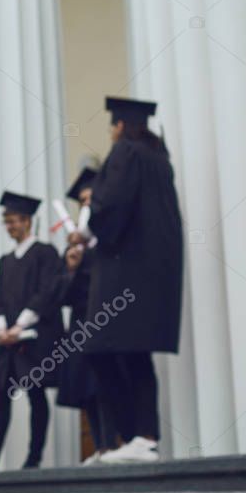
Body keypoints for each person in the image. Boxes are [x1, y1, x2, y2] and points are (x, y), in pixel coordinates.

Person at [70, 96, 183, 464]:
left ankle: (137, 436)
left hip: (123, 271)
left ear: (119, 126)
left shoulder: (125, 153)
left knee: (100, 351)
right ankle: (141, 438)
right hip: (151, 274)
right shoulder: (159, 161)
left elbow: (109, 205)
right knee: (135, 353)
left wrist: (86, 231)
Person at [0, 192, 64, 472]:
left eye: (15, 221)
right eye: (6, 222)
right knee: (1, 396)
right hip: (8, 340)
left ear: (28, 221)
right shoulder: (6, 261)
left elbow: (47, 292)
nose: (10, 227)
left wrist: (22, 325)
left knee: (36, 394)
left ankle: (33, 458)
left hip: (33, 339)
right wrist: (1, 326)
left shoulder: (45, 253)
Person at [54, 167, 120, 465]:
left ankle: (114, 444)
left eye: (91, 198)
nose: (86, 205)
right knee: (87, 389)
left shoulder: (111, 241)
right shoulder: (73, 250)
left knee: (108, 386)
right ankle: (100, 446)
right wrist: (71, 268)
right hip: (80, 326)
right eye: (81, 201)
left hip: (108, 322)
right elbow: (62, 298)